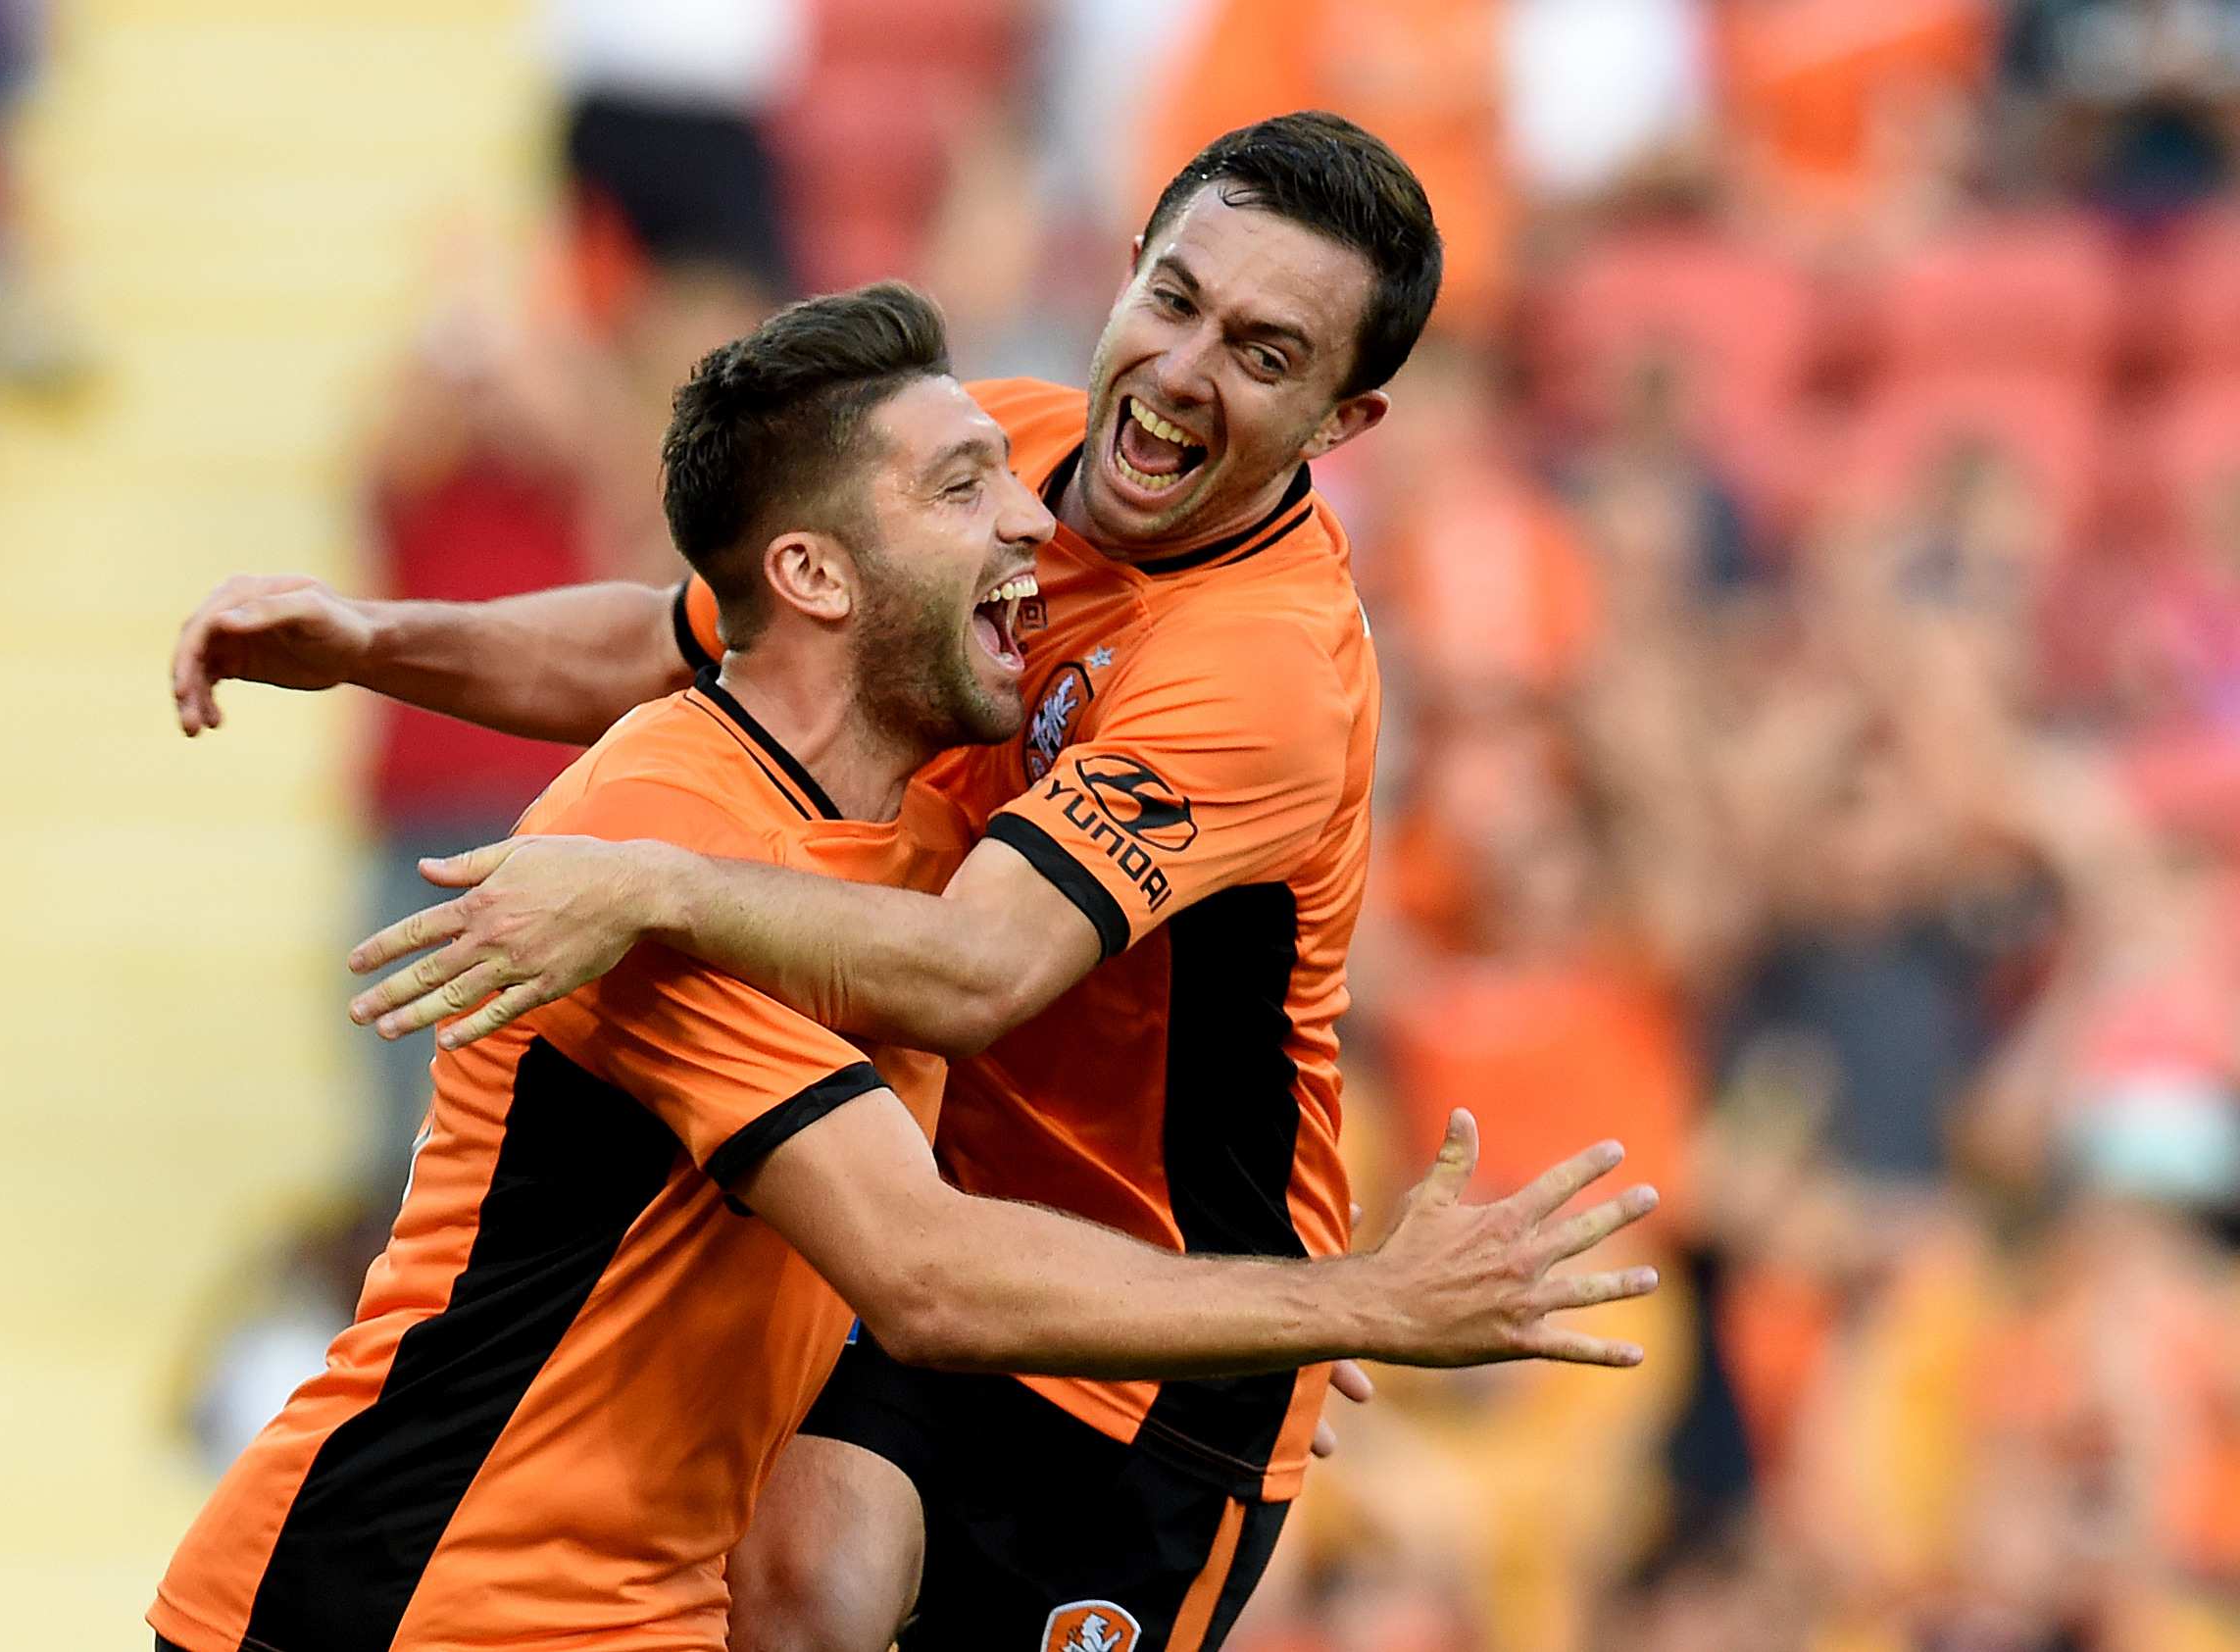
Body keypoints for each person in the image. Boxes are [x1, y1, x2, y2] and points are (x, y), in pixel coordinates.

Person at [166, 117, 1659, 1651]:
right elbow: (684, 637)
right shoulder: (998, 466)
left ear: (1343, 422)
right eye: (1174, 297)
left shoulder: (1258, 671)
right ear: (1126, 271)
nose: (1184, 368)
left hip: (1143, 1355)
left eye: (1265, 355)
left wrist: (1296, 1300)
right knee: (799, 1593)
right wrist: (370, 642)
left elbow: (972, 969)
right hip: (914, 1225)